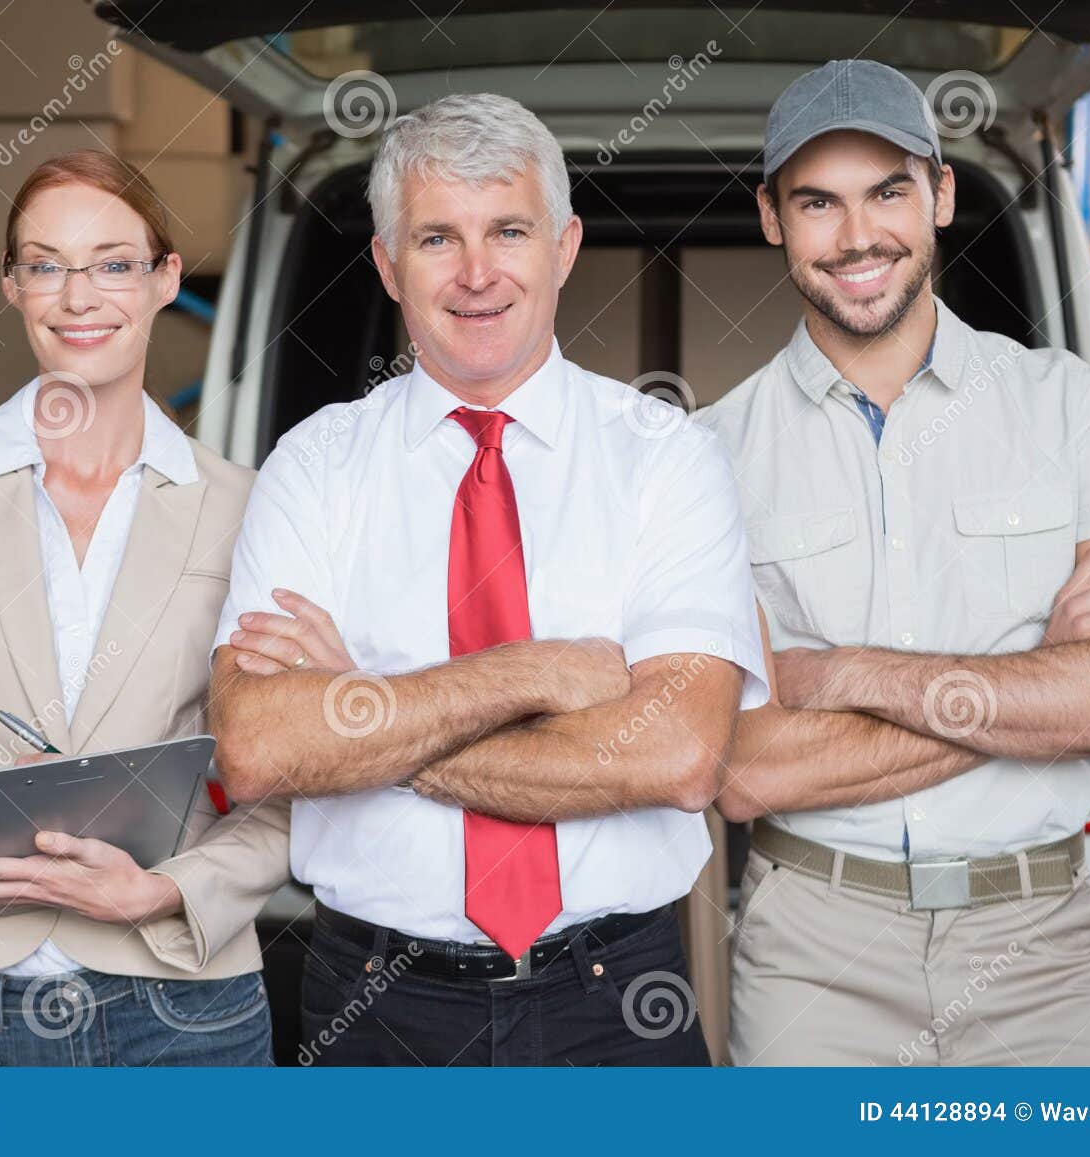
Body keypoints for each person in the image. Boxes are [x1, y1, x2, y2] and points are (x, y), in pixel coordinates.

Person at [207, 93, 769, 1066]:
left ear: (562, 246)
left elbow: (676, 753)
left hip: (617, 1001)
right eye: (436, 237)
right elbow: (257, 746)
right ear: (387, 262)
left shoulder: (665, 456)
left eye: (507, 230)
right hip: (378, 1007)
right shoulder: (316, 463)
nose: (475, 273)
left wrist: (368, 709)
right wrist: (535, 674)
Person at [700, 60, 1090, 1066]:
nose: (856, 237)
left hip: (1044, 947)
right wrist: (1043, 680)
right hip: (811, 950)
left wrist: (841, 674)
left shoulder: (1075, 408)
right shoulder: (707, 456)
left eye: (887, 191)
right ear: (770, 217)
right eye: (816, 202)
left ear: (939, 193)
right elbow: (747, 771)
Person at [0, 150, 289, 1067]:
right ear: (12, 284)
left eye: (113, 263)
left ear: (163, 280)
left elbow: (293, 791)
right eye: (46, 264)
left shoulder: (250, 506)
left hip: (189, 1010)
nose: (79, 297)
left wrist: (165, 891)